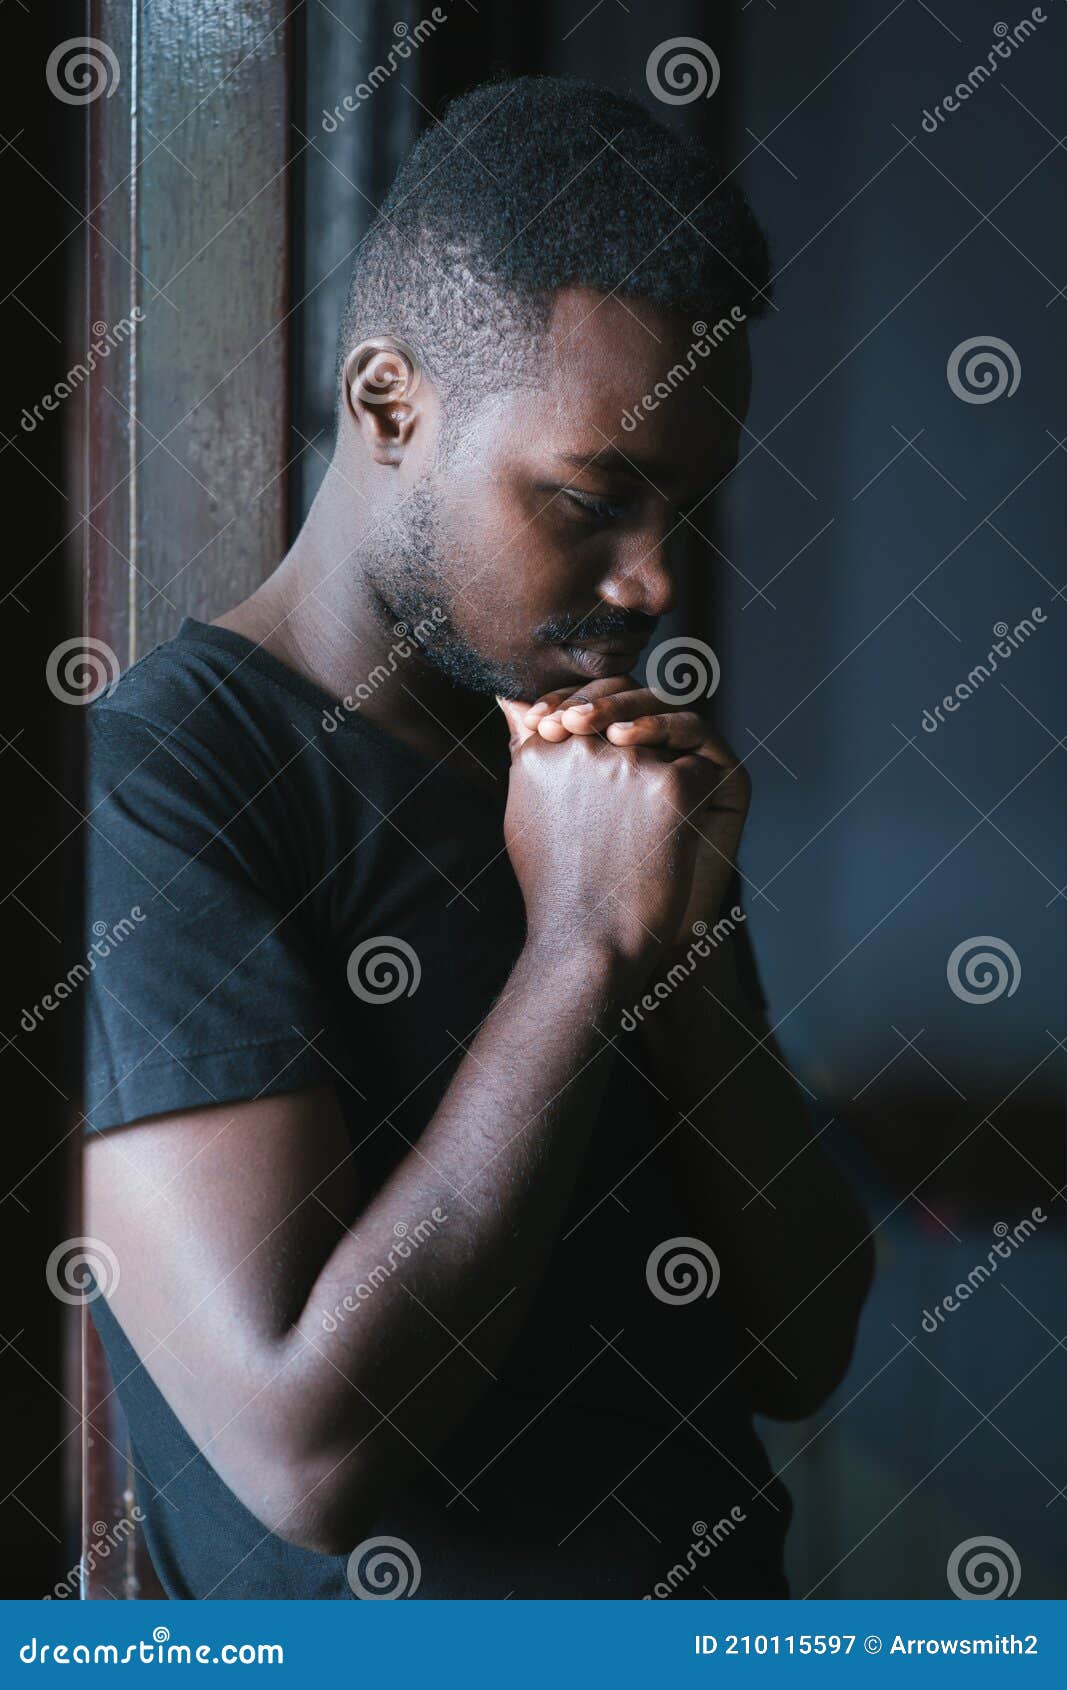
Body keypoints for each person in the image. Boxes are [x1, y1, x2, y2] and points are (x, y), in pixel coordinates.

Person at [82, 75, 873, 1600]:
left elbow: (800, 1337)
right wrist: (580, 945)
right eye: (595, 498)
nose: (650, 586)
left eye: (682, 511)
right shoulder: (153, 790)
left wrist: (677, 948)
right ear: (390, 403)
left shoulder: (591, 765)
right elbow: (307, 1448)